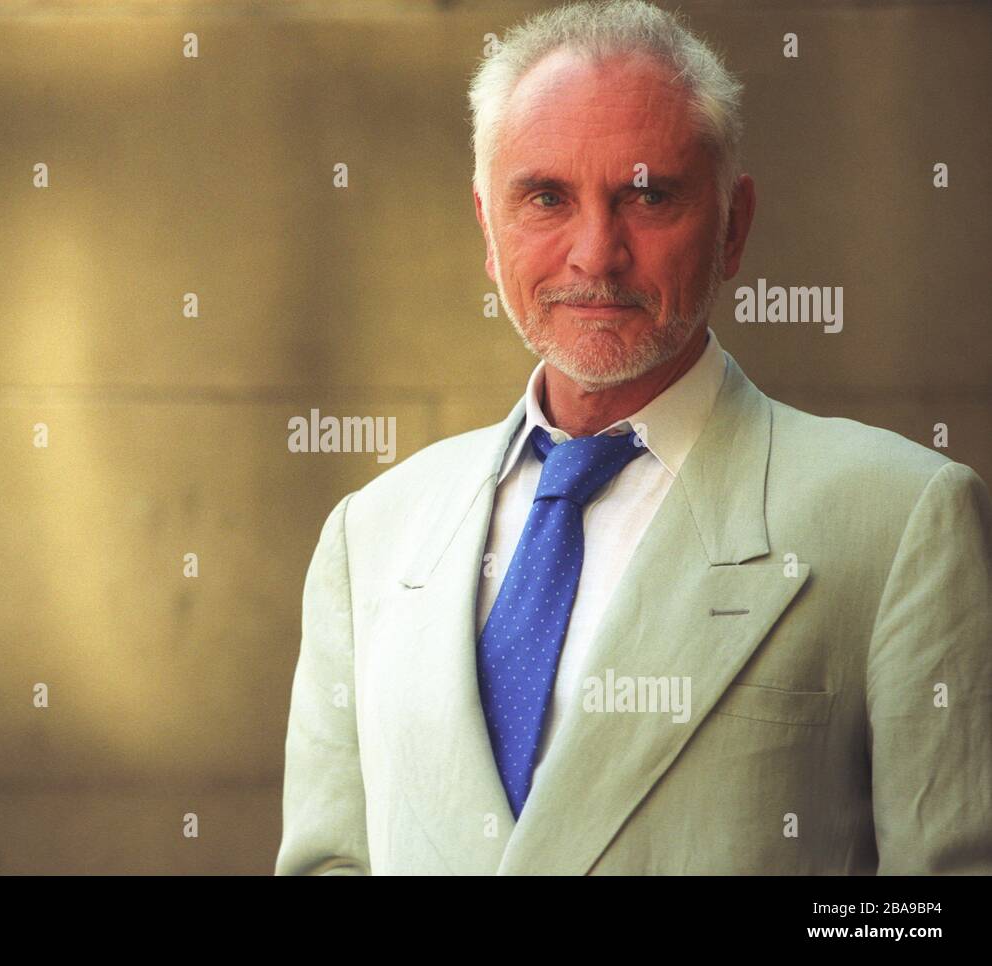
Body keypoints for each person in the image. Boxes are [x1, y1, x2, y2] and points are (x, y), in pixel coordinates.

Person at [275, 0, 992, 875]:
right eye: (545, 197)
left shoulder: (902, 519)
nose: (595, 254)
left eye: (647, 195)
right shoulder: (370, 533)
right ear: (488, 236)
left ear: (734, 226)